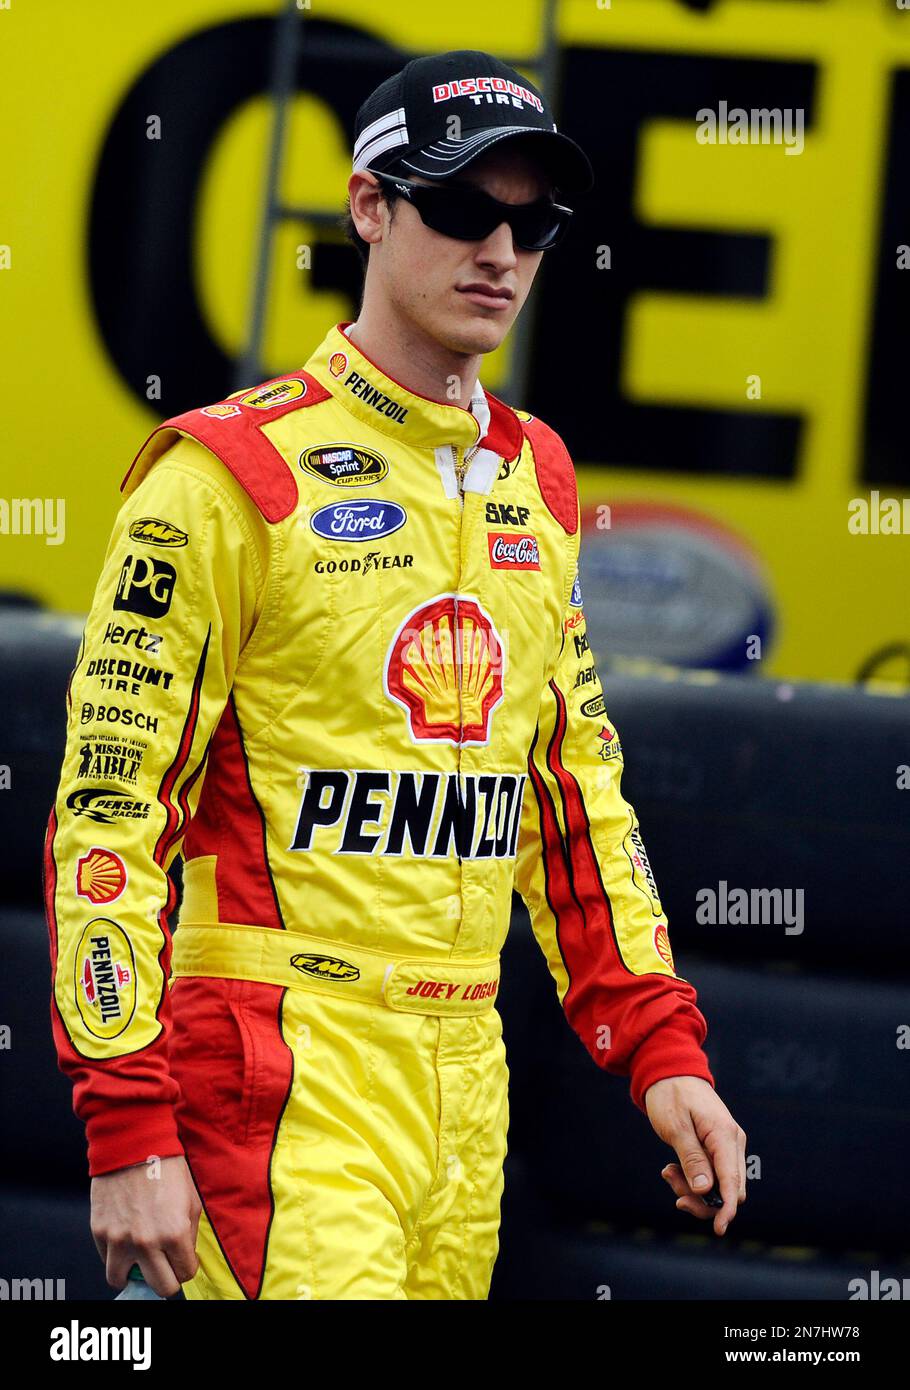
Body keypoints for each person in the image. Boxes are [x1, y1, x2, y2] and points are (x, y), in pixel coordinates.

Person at [43, 48, 746, 1301]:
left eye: (532, 224)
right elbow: (107, 813)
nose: (502, 252)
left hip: (465, 1085)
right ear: (368, 207)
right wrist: (127, 1120)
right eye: (463, 207)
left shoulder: (541, 474)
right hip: (274, 1071)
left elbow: (574, 793)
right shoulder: (220, 477)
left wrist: (658, 1046)